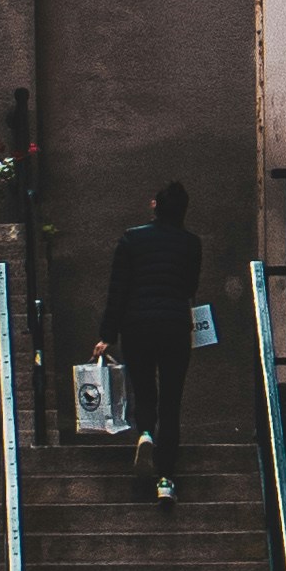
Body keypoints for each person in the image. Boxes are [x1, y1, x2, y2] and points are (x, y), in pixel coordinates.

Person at [101, 179, 204, 504]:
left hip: (137, 326)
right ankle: (165, 480)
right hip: (174, 325)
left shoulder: (131, 239)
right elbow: (190, 288)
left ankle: (145, 433)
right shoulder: (192, 244)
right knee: (171, 402)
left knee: (145, 390)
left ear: (155, 206)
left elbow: (117, 291)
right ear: (184, 211)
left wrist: (106, 336)